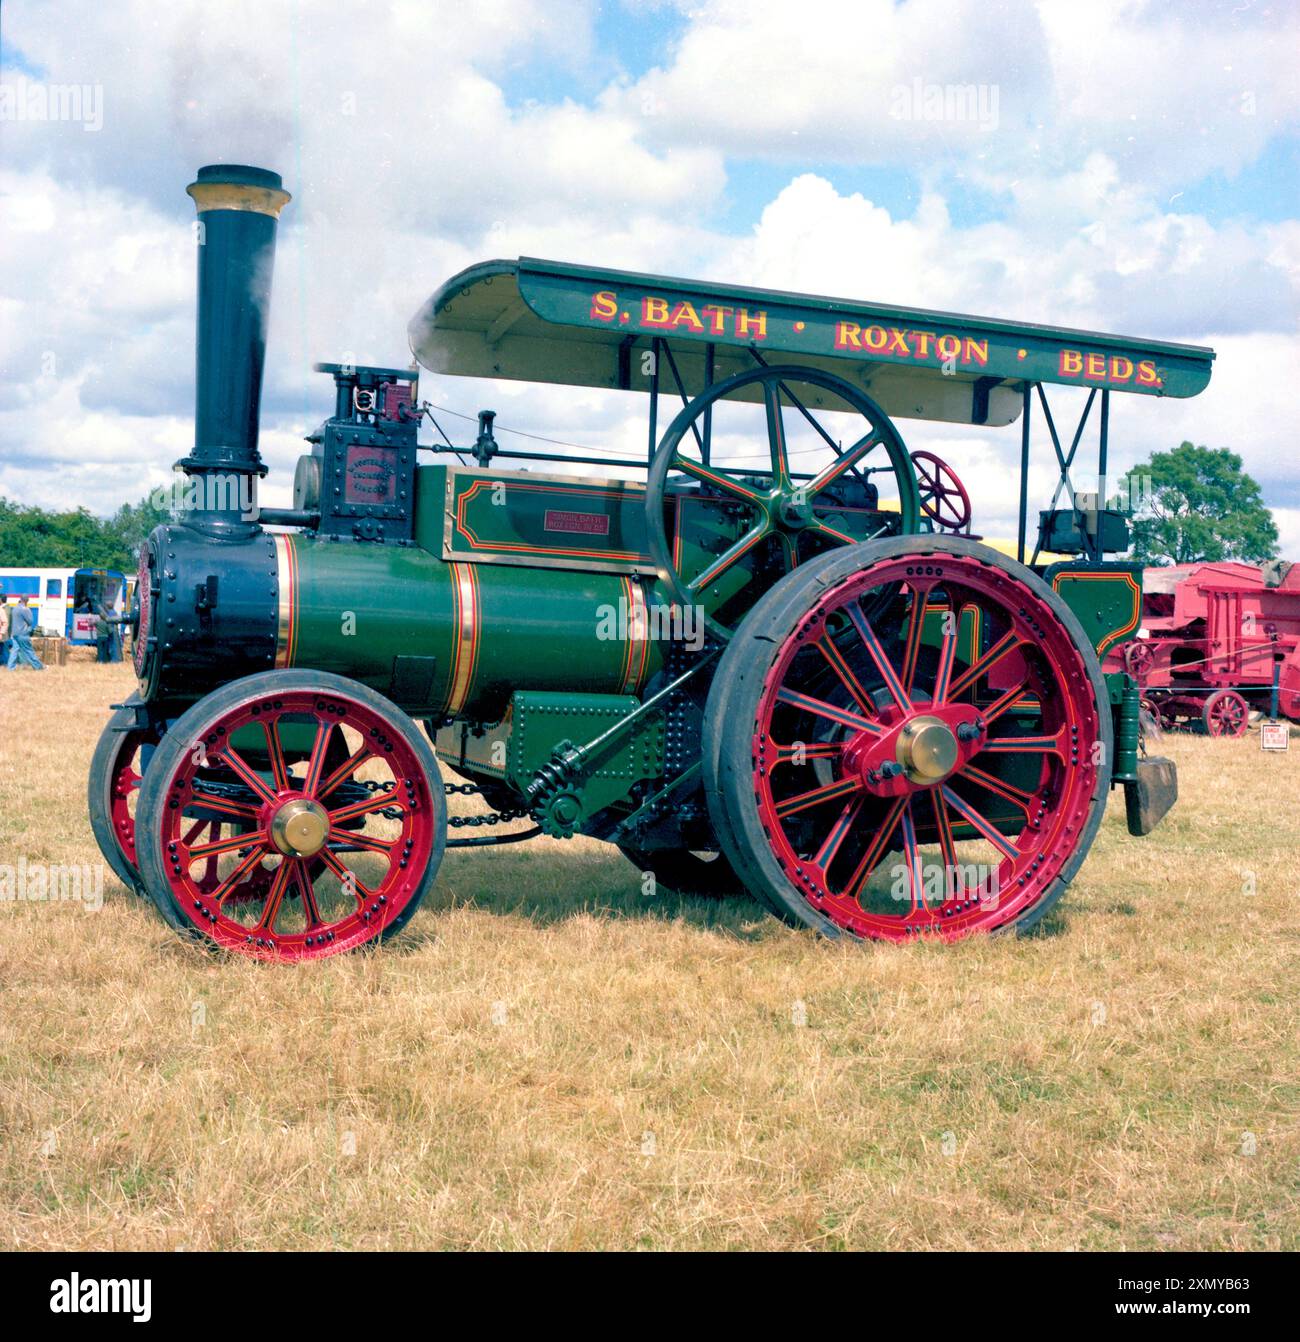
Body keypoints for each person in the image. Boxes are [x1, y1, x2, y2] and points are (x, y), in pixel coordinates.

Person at [6, 596, 45, 670]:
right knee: (29, 650)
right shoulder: (25, 609)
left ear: (20, 600)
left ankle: (10, 667)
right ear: (27, 601)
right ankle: (39, 667)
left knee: (14, 650)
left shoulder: (14, 609)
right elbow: (30, 621)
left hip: (15, 634)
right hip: (23, 633)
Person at [0, 591, 9, 669]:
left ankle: (4, 664)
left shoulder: (2, 610)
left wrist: (1, 633)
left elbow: (5, 623)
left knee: (3, 650)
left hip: (2, 634)